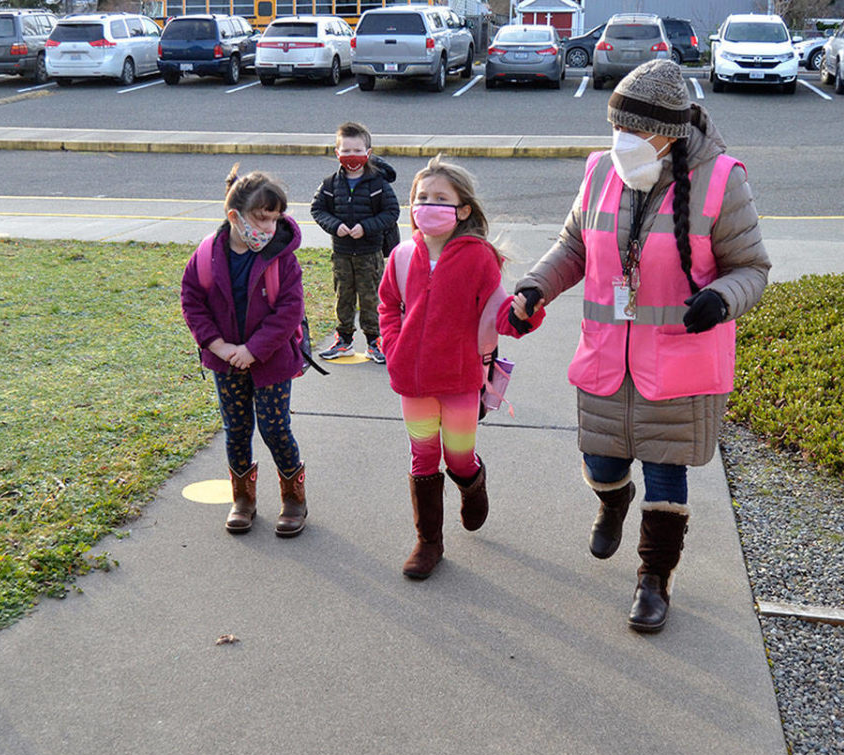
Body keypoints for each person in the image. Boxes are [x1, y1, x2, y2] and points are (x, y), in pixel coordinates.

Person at [507, 60, 771, 632]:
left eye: (634, 131)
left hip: (678, 361)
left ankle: (654, 579)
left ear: (669, 132)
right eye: (616, 128)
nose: (621, 141)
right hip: (607, 357)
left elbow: (751, 267)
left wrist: (722, 298)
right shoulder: (602, 169)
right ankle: (612, 499)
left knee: (666, 475)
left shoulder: (722, 180)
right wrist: (535, 285)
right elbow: (574, 244)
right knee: (601, 461)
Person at [378, 155, 544, 580]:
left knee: (458, 455)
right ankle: (429, 541)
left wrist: (526, 313)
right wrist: (393, 346)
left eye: (440, 198)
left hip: (459, 380)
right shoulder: (399, 256)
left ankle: (472, 482)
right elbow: (387, 307)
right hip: (412, 382)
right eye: (421, 197)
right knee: (423, 457)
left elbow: (500, 314)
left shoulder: (478, 259)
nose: (428, 204)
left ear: (463, 209)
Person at [180, 165, 308, 538]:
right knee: (236, 430)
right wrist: (217, 346)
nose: (268, 229)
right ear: (234, 216)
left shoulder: (282, 257)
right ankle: (243, 499)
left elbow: (290, 310)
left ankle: (294, 500)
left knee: (275, 429)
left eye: (275, 219)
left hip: (270, 362)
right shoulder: (206, 255)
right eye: (261, 219)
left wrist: (253, 349)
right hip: (226, 361)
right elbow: (192, 300)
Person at [312, 121, 400, 364]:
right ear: (337, 153)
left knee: (371, 297)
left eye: (357, 151)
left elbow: (391, 212)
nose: (352, 156)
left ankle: (375, 340)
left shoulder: (378, 184)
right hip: (341, 253)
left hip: (369, 252)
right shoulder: (330, 184)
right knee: (344, 296)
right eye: (347, 151)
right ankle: (344, 340)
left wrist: (366, 227)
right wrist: (334, 225)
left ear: (368, 153)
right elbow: (317, 209)